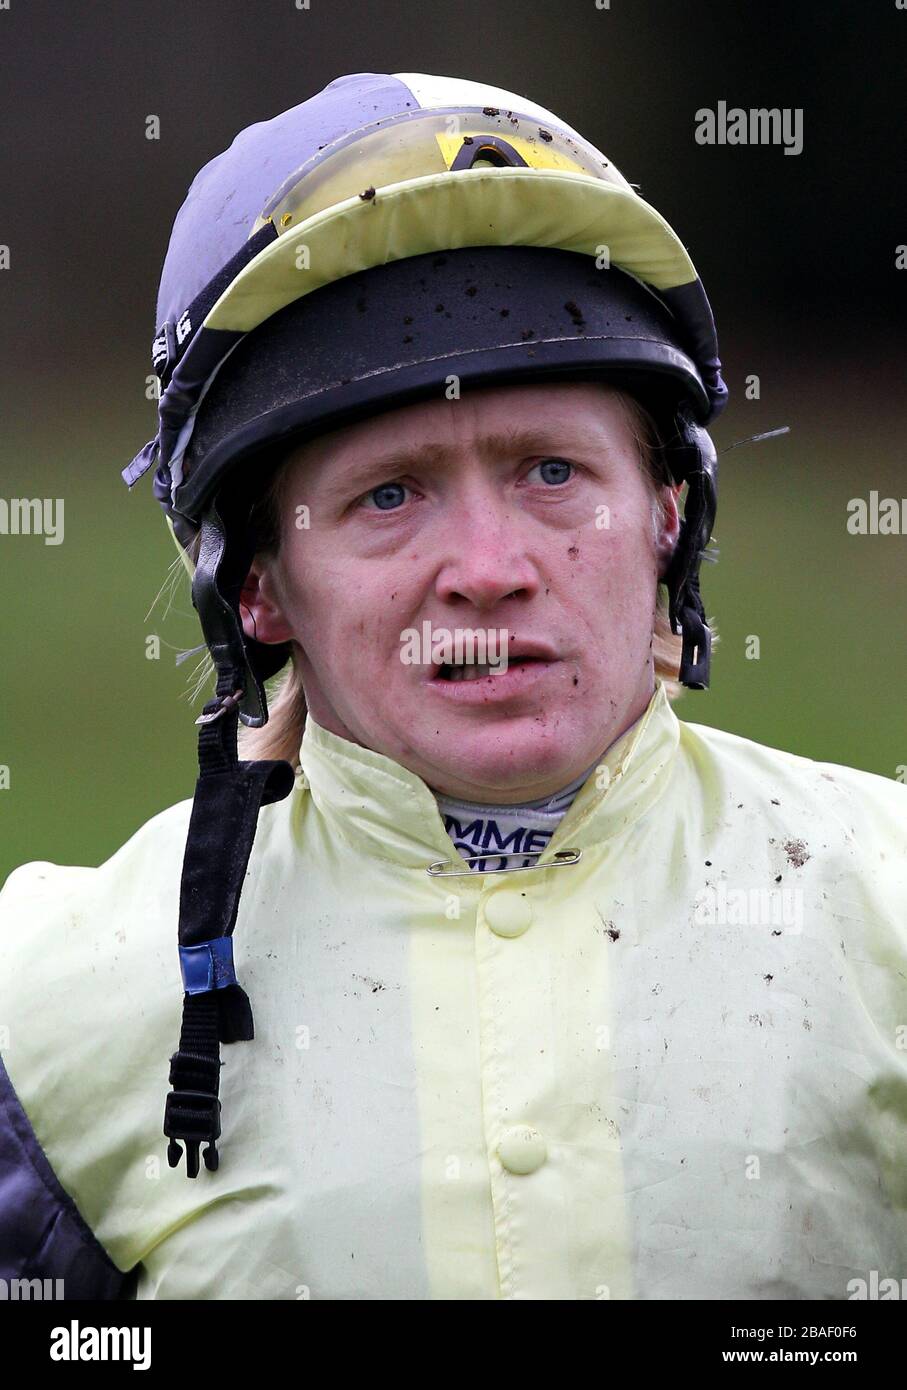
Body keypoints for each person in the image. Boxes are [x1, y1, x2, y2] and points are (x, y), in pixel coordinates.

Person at [1, 71, 904, 1302]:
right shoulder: (43, 1012)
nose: (489, 571)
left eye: (549, 470)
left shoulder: (889, 913)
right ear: (256, 581)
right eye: (388, 493)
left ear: (668, 515)